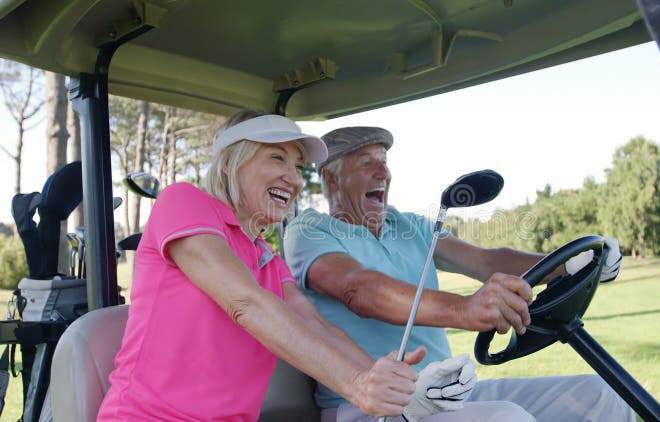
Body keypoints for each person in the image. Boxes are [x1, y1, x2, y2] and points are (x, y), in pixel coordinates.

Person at [283, 126, 634, 422]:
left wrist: (568, 263)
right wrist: (465, 310)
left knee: (604, 395)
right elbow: (358, 289)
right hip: (366, 405)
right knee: (506, 419)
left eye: (385, 163)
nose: (384, 173)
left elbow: (485, 261)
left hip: (443, 392)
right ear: (330, 176)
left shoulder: (409, 225)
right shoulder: (310, 230)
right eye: (367, 163)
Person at [97, 114, 427, 421]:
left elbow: (316, 327)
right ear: (228, 163)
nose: (294, 178)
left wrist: (394, 386)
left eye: (298, 165)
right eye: (276, 158)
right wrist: (357, 385)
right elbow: (245, 302)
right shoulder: (183, 201)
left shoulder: (266, 256)